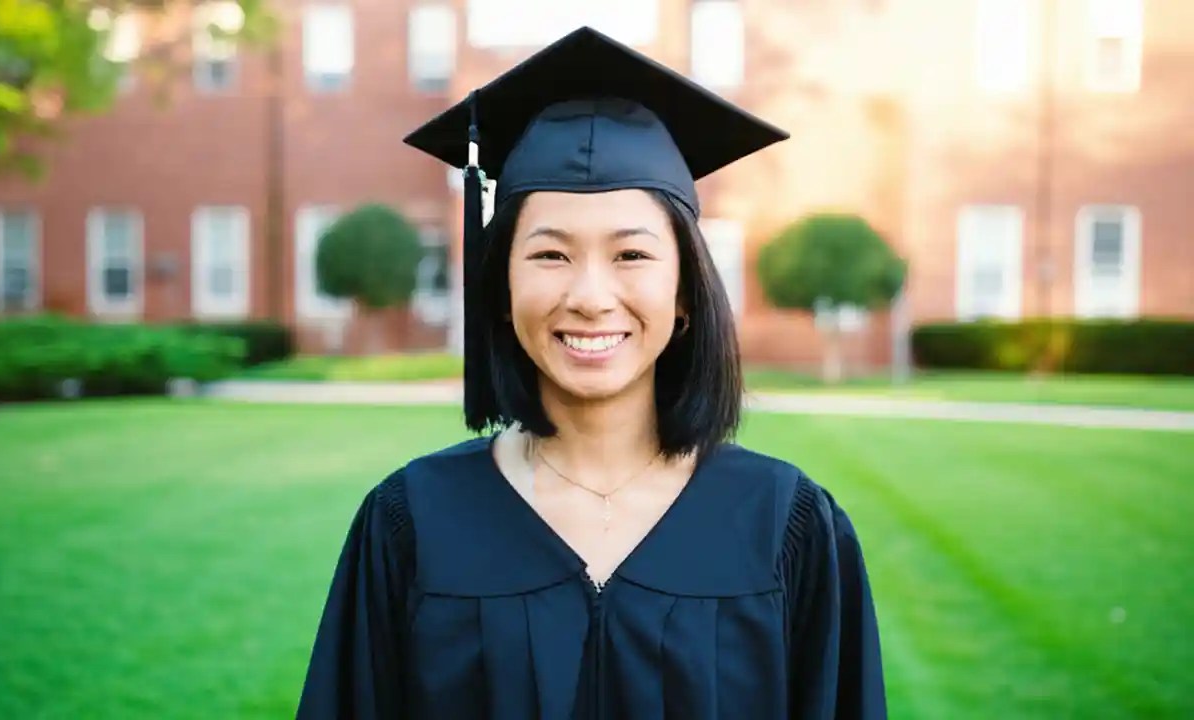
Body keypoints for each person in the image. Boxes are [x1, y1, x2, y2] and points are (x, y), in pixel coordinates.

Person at [296, 26, 885, 719]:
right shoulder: (411, 523)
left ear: (687, 291)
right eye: (550, 255)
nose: (590, 295)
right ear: (502, 286)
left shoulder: (786, 526)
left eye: (632, 255)